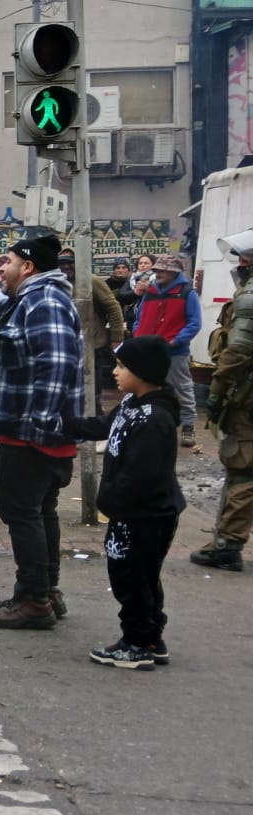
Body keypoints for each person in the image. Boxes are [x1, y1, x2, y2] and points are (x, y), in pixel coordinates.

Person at [0, 234, 84, 630]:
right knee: (39, 511)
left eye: (7, 262)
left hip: (31, 434)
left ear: (28, 267)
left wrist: (39, 424)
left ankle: (34, 600)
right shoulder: (29, 301)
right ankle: (45, 590)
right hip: (35, 432)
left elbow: (56, 363)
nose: (0, 269)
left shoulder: (45, 301)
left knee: (21, 512)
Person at [64, 335, 184, 669]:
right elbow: (104, 425)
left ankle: (135, 644)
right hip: (134, 512)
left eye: (122, 366)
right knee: (139, 575)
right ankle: (150, 637)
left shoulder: (153, 419)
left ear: (142, 372)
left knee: (132, 577)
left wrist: (113, 503)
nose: (115, 372)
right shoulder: (132, 405)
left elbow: (141, 474)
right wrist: (64, 424)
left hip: (143, 514)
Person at [194, 229, 253, 571]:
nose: (240, 263)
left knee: (242, 468)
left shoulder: (248, 299)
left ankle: (227, 544)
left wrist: (216, 392)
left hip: (245, 399)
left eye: (244, 258)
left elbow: (239, 351)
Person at [132, 253, 201, 447]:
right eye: (157, 270)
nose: (158, 273)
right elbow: (140, 317)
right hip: (148, 350)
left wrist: (176, 341)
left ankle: (188, 426)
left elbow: (195, 323)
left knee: (182, 389)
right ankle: (149, 425)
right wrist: (137, 333)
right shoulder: (151, 292)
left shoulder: (187, 292)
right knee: (148, 389)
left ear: (174, 272)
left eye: (163, 270)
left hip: (175, 352)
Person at [57, 247, 126, 395]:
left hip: (92, 346)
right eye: (61, 263)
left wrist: (117, 339)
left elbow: (113, 308)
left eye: (70, 262)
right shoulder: (56, 284)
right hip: (66, 347)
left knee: (92, 395)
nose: (65, 266)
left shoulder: (91, 280)